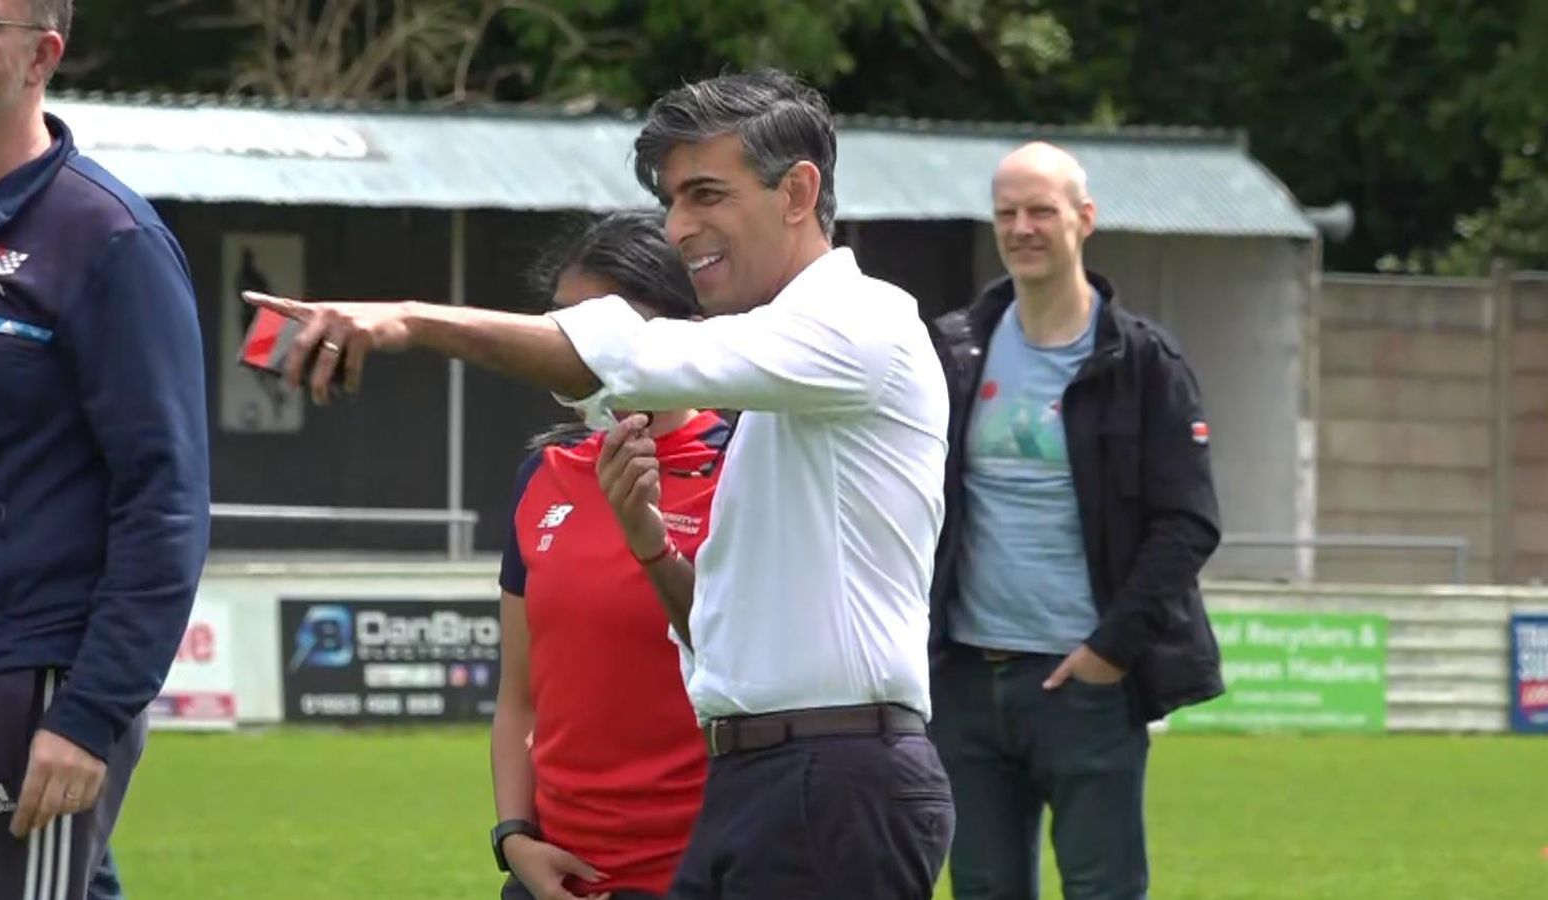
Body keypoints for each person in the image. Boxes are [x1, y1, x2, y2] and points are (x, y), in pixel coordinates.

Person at [246, 67, 955, 900]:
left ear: (798, 191)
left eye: (705, 195)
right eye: (672, 200)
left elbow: (638, 358)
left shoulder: (860, 325)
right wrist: (652, 545)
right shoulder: (786, 377)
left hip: (830, 784)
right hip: (770, 780)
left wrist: (409, 321)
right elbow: (726, 639)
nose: (679, 227)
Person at [0, 1, 211, 898]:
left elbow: (165, 499)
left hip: (16, 686)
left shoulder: (108, 239)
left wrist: (90, 714)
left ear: (41, 55)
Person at [926, 142, 1224, 900]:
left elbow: (1187, 523)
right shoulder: (955, 349)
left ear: (1084, 219)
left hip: (1085, 685)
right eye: (1006, 213)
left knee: (1103, 890)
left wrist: (1109, 653)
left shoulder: (1144, 362)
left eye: (1041, 211)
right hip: (966, 678)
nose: (1022, 228)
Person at [491, 211, 727, 900]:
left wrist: (650, 543)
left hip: (699, 875)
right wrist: (514, 839)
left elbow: (738, 657)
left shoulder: (742, 465)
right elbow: (517, 698)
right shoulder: (544, 475)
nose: (565, 347)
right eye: (559, 324)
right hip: (553, 880)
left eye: (592, 327)